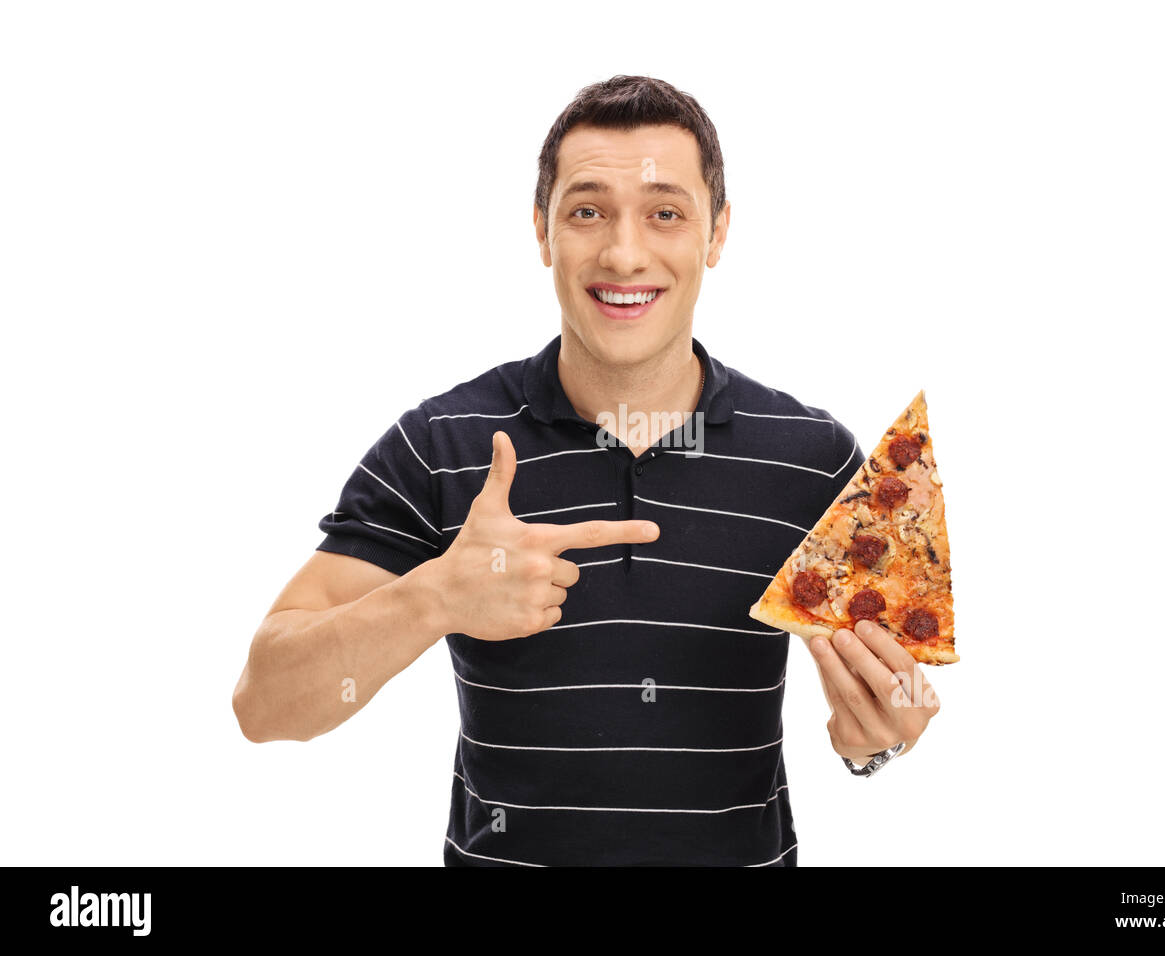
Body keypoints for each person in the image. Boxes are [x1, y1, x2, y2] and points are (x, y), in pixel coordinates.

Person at [231, 75, 939, 866]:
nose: (623, 253)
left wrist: (877, 741)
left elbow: (900, 698)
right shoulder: (444, 444)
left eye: (665, 213)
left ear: (717, 234)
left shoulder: (812, 460)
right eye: (587, 211)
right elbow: (265, 706)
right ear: (542, 231)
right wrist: (432, 597)